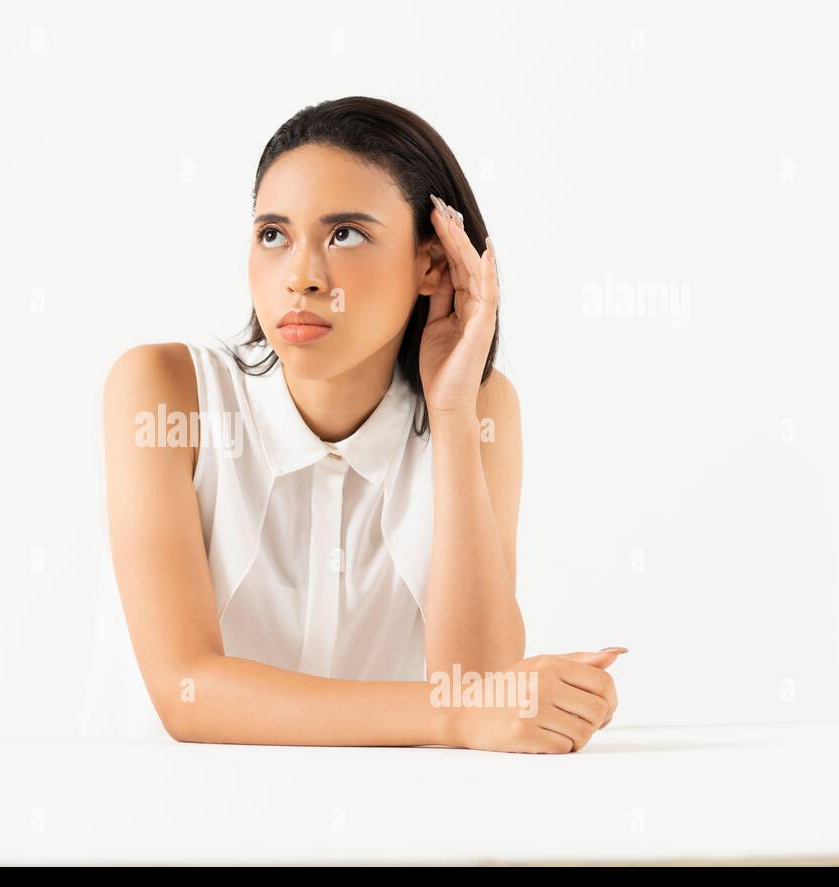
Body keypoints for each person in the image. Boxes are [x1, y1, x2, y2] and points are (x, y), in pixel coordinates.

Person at [80, 96, 623, 751]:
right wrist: (455, 715)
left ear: (431, 262)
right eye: (273, 234)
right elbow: (188, 691)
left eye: (345, 234)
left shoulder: (480, 411)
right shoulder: (163, 393)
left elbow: (479, 694)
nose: (302, 278)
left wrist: (451, 414)